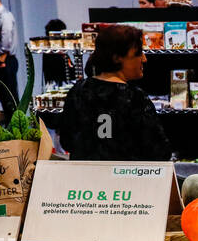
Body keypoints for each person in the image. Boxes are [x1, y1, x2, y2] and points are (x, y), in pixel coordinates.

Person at [59, 23, 171, 161]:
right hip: (126, 179)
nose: (144, 58)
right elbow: (159, 151)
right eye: (138, 53)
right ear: (117, 57)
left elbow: (67, 141)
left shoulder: (78, 92)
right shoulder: (134, 98)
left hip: (84, 178)